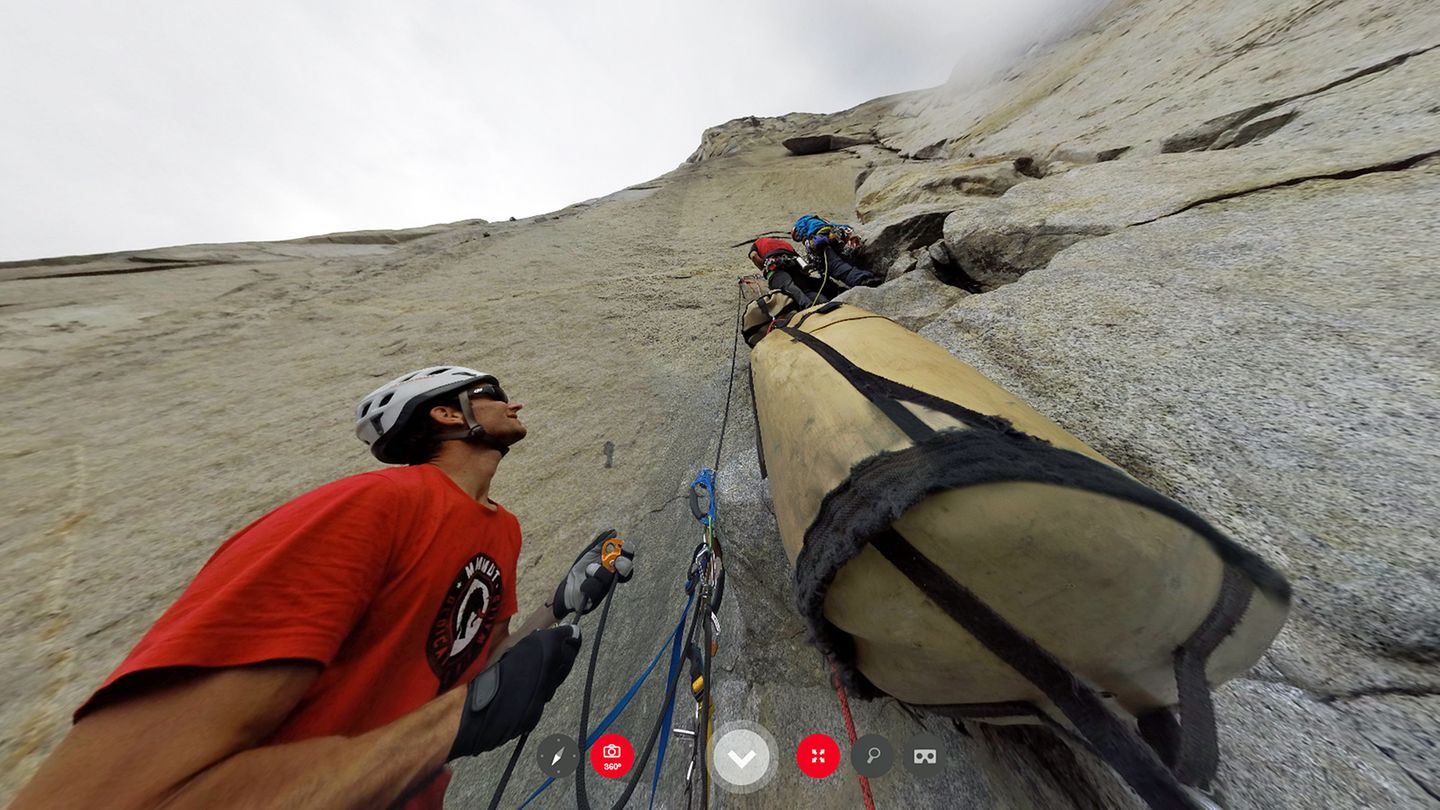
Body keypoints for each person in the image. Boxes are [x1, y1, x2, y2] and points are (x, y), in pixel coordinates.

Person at [11, 365, 635, 810]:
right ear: (448, 413)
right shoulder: (367, 508)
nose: (514, 403)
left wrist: (559, 606)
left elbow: (465, 678)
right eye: (492, 393)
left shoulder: (504, 530)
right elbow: (120, 792)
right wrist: (444, 730)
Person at [790, 214, 881, 288]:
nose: (798, 238)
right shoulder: (819, 223)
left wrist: (819, 236)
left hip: (823, 241)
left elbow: (816, 229)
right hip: (834, 238)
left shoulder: (803, 224)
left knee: (835, 266)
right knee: (844, 260)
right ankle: (869, 276)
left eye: (797, 236)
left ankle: (862, 280)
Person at [749, 236, 831, 308]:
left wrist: (763, 269)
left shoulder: (758, 242)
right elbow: (803, 267)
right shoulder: (784, 243)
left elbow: (753, 256)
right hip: (795, 268)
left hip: (776, 269)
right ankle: (825, 303)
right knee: (806, 291)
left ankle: (807, 306)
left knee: (788, 288)